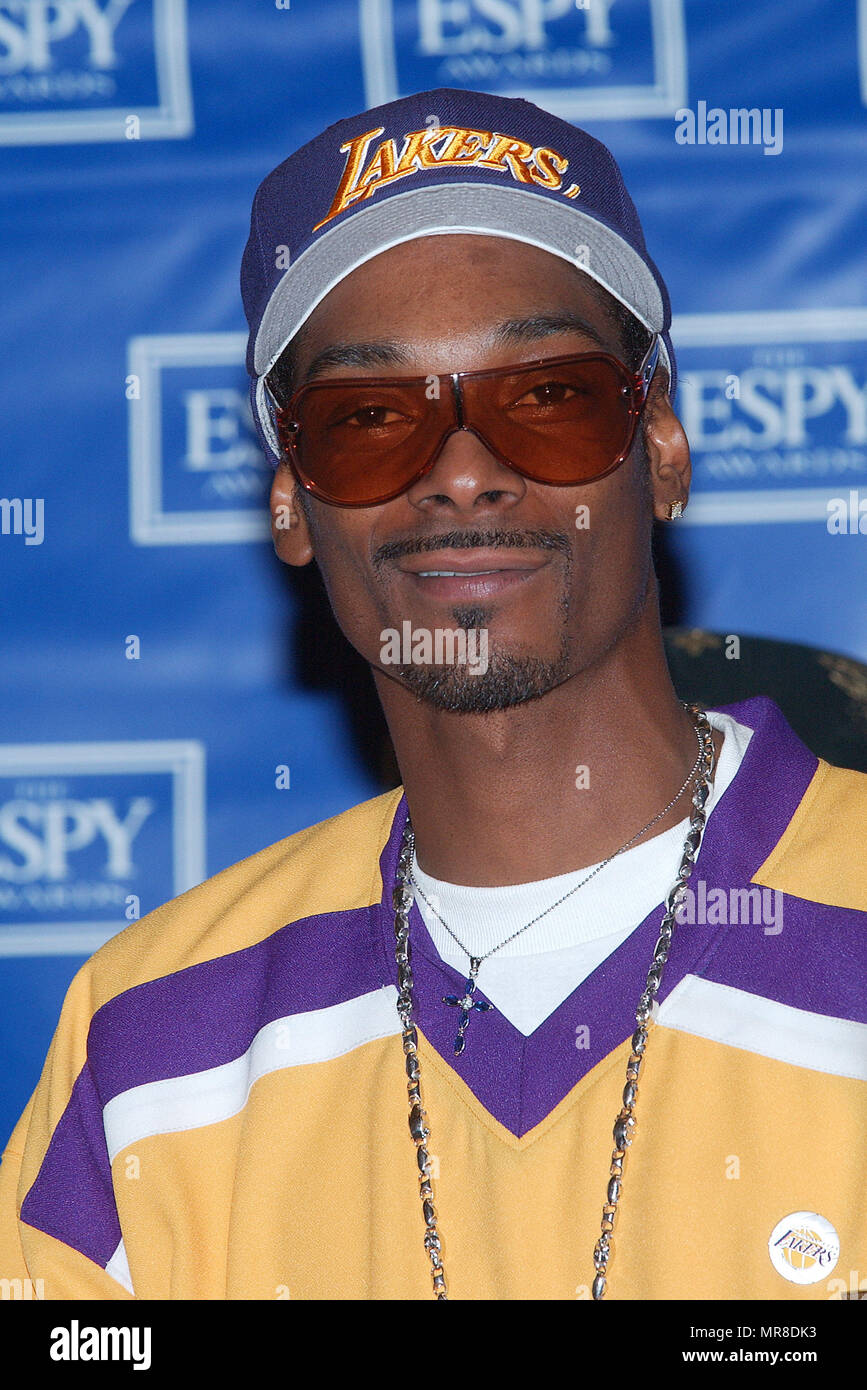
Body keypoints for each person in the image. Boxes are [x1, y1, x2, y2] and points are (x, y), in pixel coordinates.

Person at [1, 87, 865, 1302]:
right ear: (293, 503)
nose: (462, 471)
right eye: (368, 419)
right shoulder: (149, 1045)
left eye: (547, 396)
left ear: (660, 446)